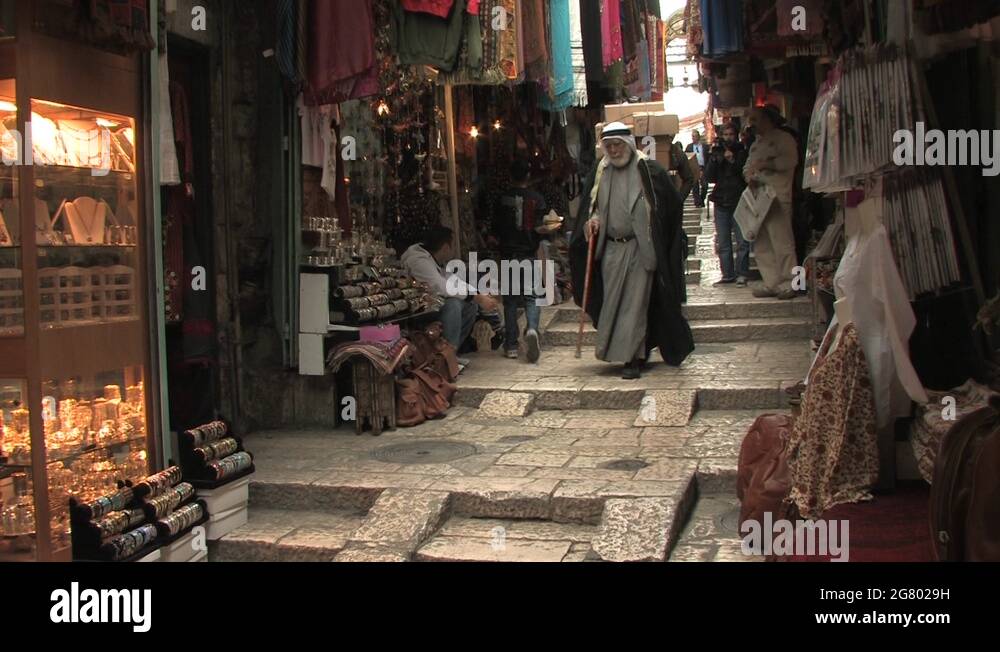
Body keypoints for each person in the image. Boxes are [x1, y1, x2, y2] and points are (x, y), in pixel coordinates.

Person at [569, 122, 694, 379]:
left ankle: (634, 358)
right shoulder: (600, 172)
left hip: (641, 249)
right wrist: (592, 221)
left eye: (618, 145)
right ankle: (620, 351)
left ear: (628, 144)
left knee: (635, 305)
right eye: (609, 146)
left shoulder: (649, 170)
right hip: (611, 249)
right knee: (613, 302)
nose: (614, 150)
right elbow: (592, 207)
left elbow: (671, 205)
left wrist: (657, 228)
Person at [401, 226, 499, 350]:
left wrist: (477, 294)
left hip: (432, 304)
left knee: (470, 305)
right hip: (418, 311)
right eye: (453, 245)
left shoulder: (432, 258)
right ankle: (448, 353)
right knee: (453, 305)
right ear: (446, 247)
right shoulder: (418, 261)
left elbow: (451, 279)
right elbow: (440, 286)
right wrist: (476, 296)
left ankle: (452, 351)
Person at [493, 158, 547, 362]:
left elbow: (495, 229)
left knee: (510, 302)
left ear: (510, 175)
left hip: (508, 255)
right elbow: (543, 227)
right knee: (532, 297)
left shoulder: (501, 199)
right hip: (528, 254)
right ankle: (532, 329)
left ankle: (512, 346)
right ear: (528, 176)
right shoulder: (537, 199)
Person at [743, 106, 799, 300]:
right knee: (762, 242)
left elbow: (790, 161)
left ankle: (789, 282)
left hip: (777, 196)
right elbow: (747, 166)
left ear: (767, 119)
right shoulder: (756, 144)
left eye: (756, 119)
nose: (752, 124)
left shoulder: (783, 139)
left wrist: (767, 164)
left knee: (782, 240)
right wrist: (749, 175)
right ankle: (771, 281)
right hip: (758, 199)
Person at [705, 123, 751, 287]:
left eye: (731, 134)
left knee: (742, 241)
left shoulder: (742, 152)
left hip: (739, 200)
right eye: (725, 134)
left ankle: (742, 273)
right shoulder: (716, 152)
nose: (728, 137)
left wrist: (732, 161)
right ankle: (727, 274)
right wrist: (715, 159)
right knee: (724, 242)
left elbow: (745, 175)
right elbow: (709, 177)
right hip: (721, 201)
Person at [665, 132, 695, 204]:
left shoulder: (677, 152)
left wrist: (679, 199)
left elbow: (689, 178)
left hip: (670, 203)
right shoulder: (645, 149)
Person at [685, 130, 708, 208]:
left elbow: (708, 156)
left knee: (704, 185)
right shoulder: (689, 147)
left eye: (694, 136)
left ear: (698, 137)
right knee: (695, 186)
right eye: (692, 136)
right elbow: (686, 157)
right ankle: (697, 202)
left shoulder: (704, 146)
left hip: (703, 167)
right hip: (694, 167)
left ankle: (702, 199)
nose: (693, 138)